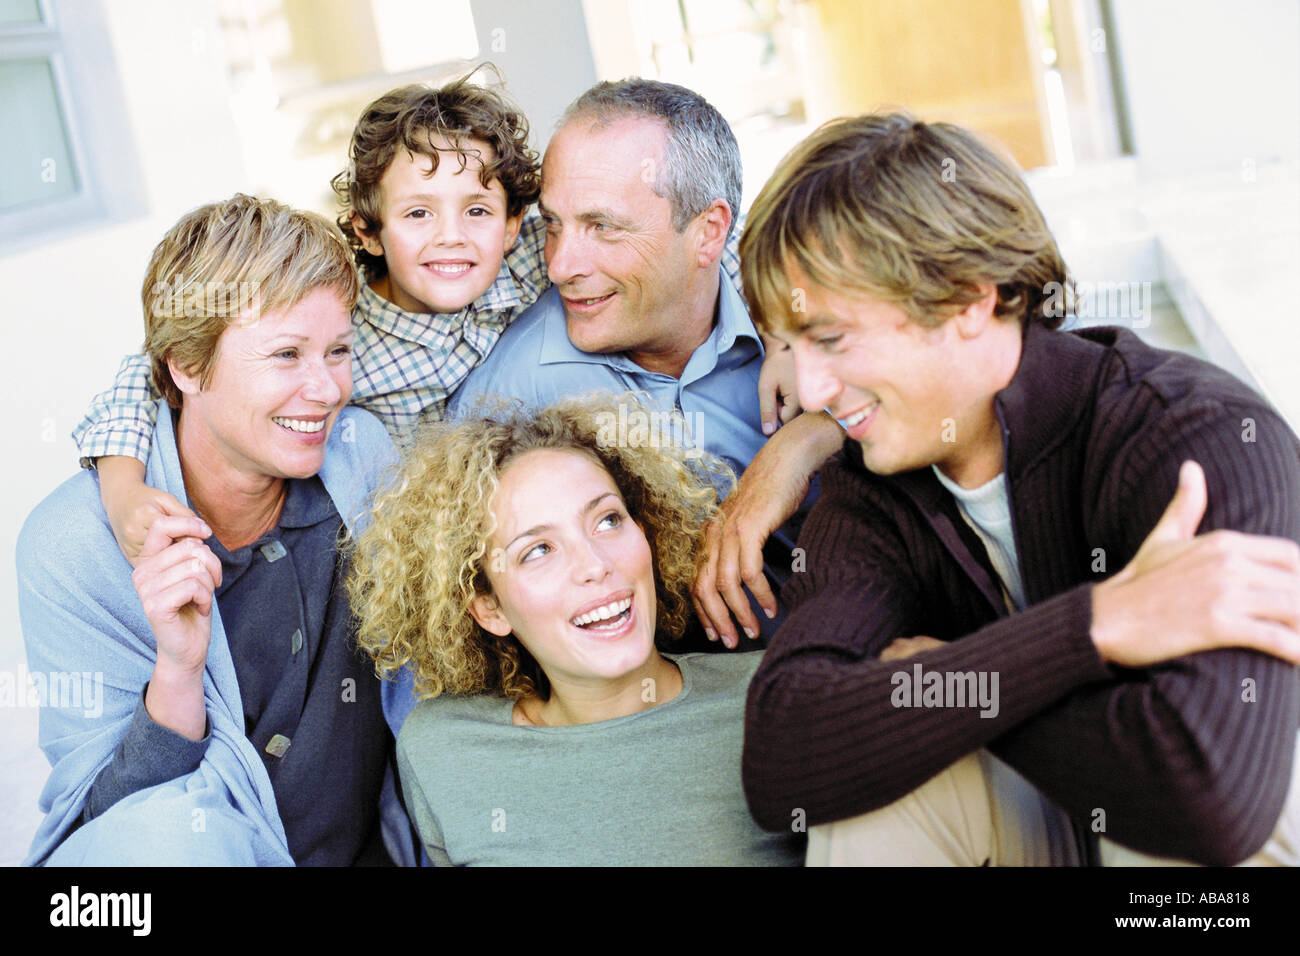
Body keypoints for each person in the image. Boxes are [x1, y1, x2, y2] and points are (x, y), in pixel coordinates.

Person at [737, 112, 1300, 866]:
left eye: (832, 340)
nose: (811, 387)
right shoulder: (872, 490)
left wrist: (943, 675)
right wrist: (1094, 626)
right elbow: (785, 755)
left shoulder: (1195, 435)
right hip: (1061, 821)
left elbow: (1214, 804)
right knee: (874, 801)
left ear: (971, 299)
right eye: (790, 347)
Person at [17, 195, 409, 865]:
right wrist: (178, 671)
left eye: (337, 350)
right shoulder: (72, 545)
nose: (324, 389)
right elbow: (108, 831)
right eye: (286, 354)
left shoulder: (361, 461)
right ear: (187, 367)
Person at [70, 75, 548, 563]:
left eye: (477, 210)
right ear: (368, 231)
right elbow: (154, 369)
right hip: (424, 542)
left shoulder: (531, 257)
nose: (452, 236)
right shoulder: (337, 325)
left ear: (511, 224)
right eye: (419, 213)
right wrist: (123, 488)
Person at [449, 78, 835, 648]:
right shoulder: (509, 394)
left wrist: (807, 438)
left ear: (708, 233)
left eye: (602, 227)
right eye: (553, 224)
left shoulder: (803, 305)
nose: (559, 265)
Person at [346, 394, 802, 865]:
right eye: (538, 550)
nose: (594, 565)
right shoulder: (442, 746)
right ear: (490, 609)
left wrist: (815, 432)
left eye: (607, 520)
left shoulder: (779, 697)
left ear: (646, 532)